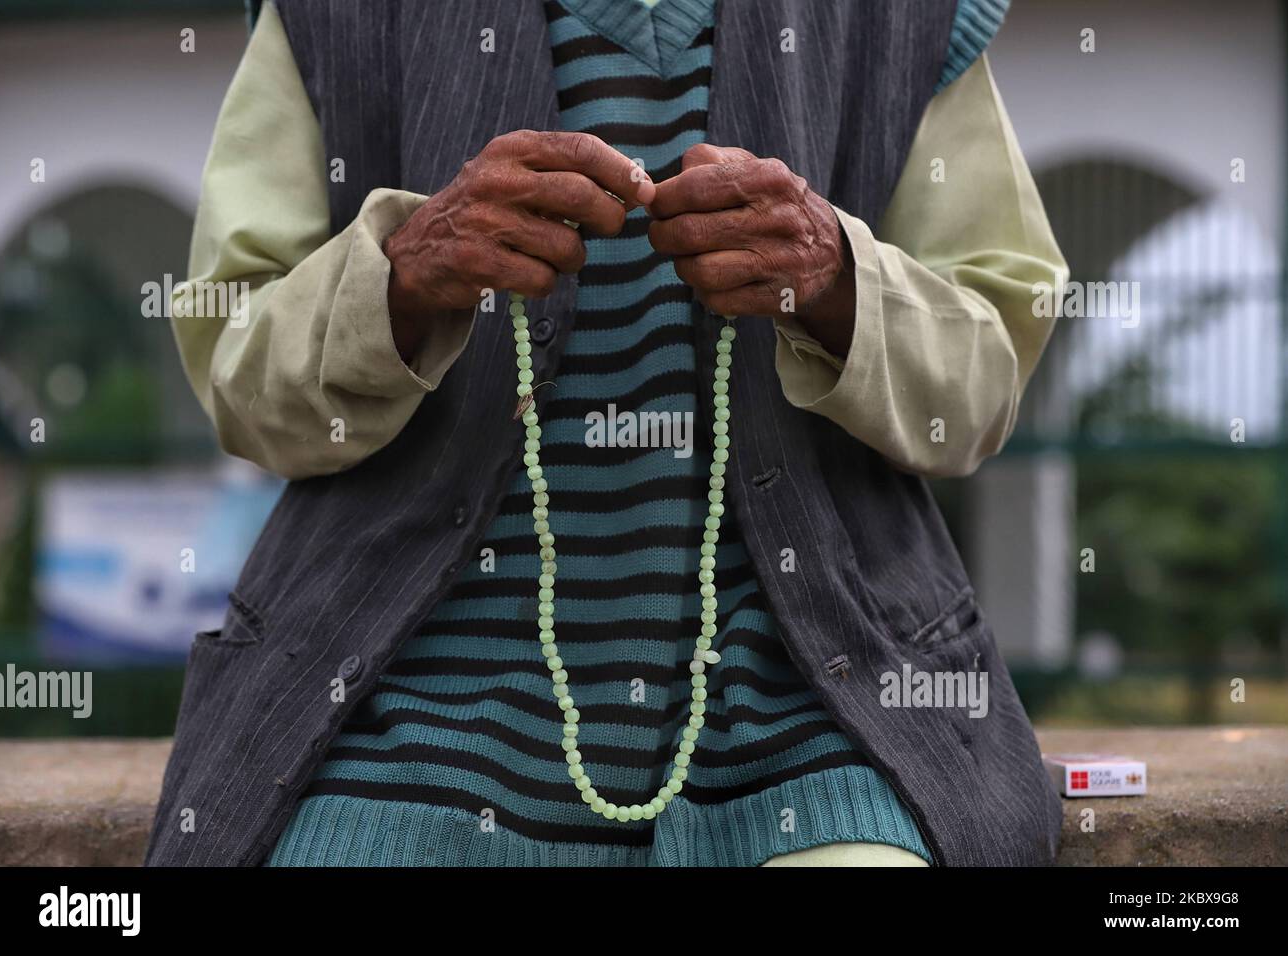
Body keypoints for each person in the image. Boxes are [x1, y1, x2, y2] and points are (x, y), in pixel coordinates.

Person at [148, 0, 1068, 867]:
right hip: (401, 706)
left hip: (820, 705)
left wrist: (837, 280)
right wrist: (403, 275)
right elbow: (240, 375)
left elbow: (982, 386)